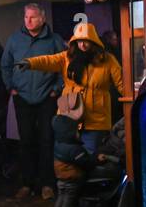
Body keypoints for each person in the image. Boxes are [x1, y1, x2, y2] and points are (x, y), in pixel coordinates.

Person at [17, 21, 124, 155]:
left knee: (89, 158)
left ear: (94, 41)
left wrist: (135, 99)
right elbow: (49, 60)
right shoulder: (67, 57)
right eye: (79, 41)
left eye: (86, 41)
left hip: (95, 120)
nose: (82, 45)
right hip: (69, 118)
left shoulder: (108, 60)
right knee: (67, 157)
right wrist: (30, 62)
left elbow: (121, 83)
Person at [0, 3, 66, 200]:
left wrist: (56, 89)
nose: (28, 21)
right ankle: (26, 183)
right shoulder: (14, 40)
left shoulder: (54, 40)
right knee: (26, 140)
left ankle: (47, 184)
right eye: (26, 17)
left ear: (42, 19)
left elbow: (64, 65)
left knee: (47, 140)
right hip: (22, 96)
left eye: (33, 17)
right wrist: (10, 86)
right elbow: (5, 65)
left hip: (47, 96)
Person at [48, 95, 111, 207]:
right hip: (72, 178)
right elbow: (85, 162)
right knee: (68, 199)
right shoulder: (74, 149)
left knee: (61, 197)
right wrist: (96, 159)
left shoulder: (59, 145)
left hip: (61, 177)